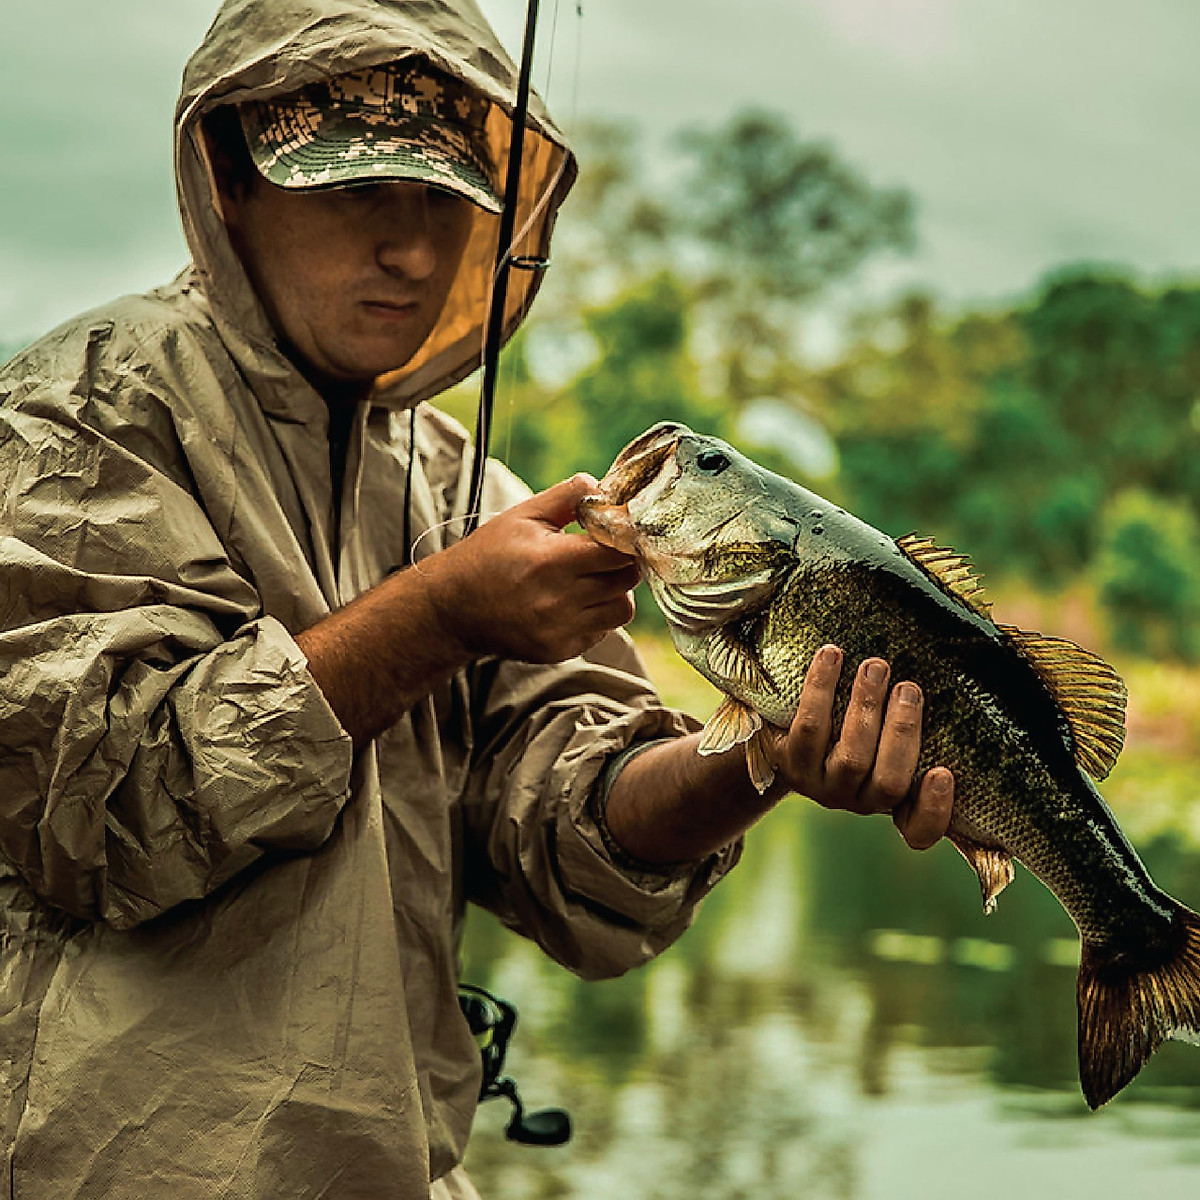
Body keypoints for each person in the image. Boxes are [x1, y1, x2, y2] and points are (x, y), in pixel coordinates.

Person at [0, 1, 953, 1197]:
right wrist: (439, 618)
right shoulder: (79, 423)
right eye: (356, 194)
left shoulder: (463, 487)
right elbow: (107, 811)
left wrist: (755, 759)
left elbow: (570, 839)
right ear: (229, 179)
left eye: (447, 202)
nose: (410, 249)